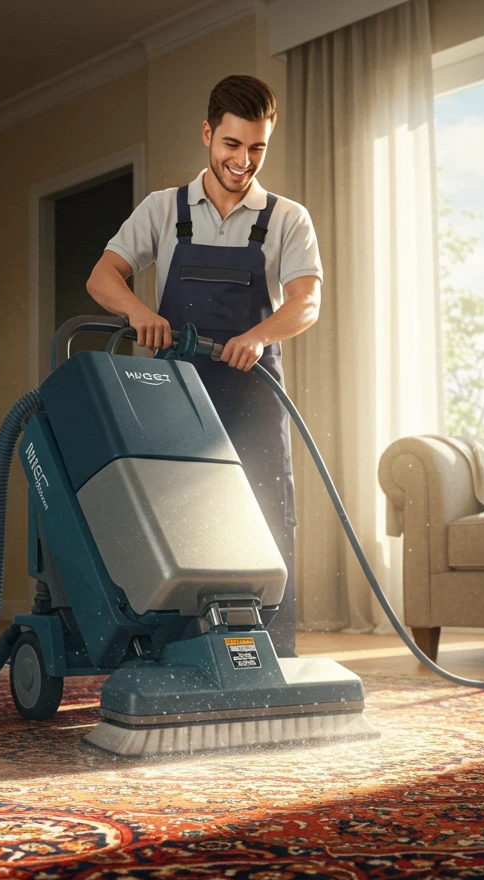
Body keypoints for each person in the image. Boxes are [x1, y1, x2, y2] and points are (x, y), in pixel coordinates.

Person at [86, 74, 322, 658]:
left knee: (265, 513)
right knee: (175, 514)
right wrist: (142, 313)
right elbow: (102, 277)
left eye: (257, 147)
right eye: (232, 145)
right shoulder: (163, 210)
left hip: (253, 390)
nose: (243, 161)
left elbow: (306, 302)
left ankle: (270, 656)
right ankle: (175, 651)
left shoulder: (287, 218)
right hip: (176, 388)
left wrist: (259, 337)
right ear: (207, 134)